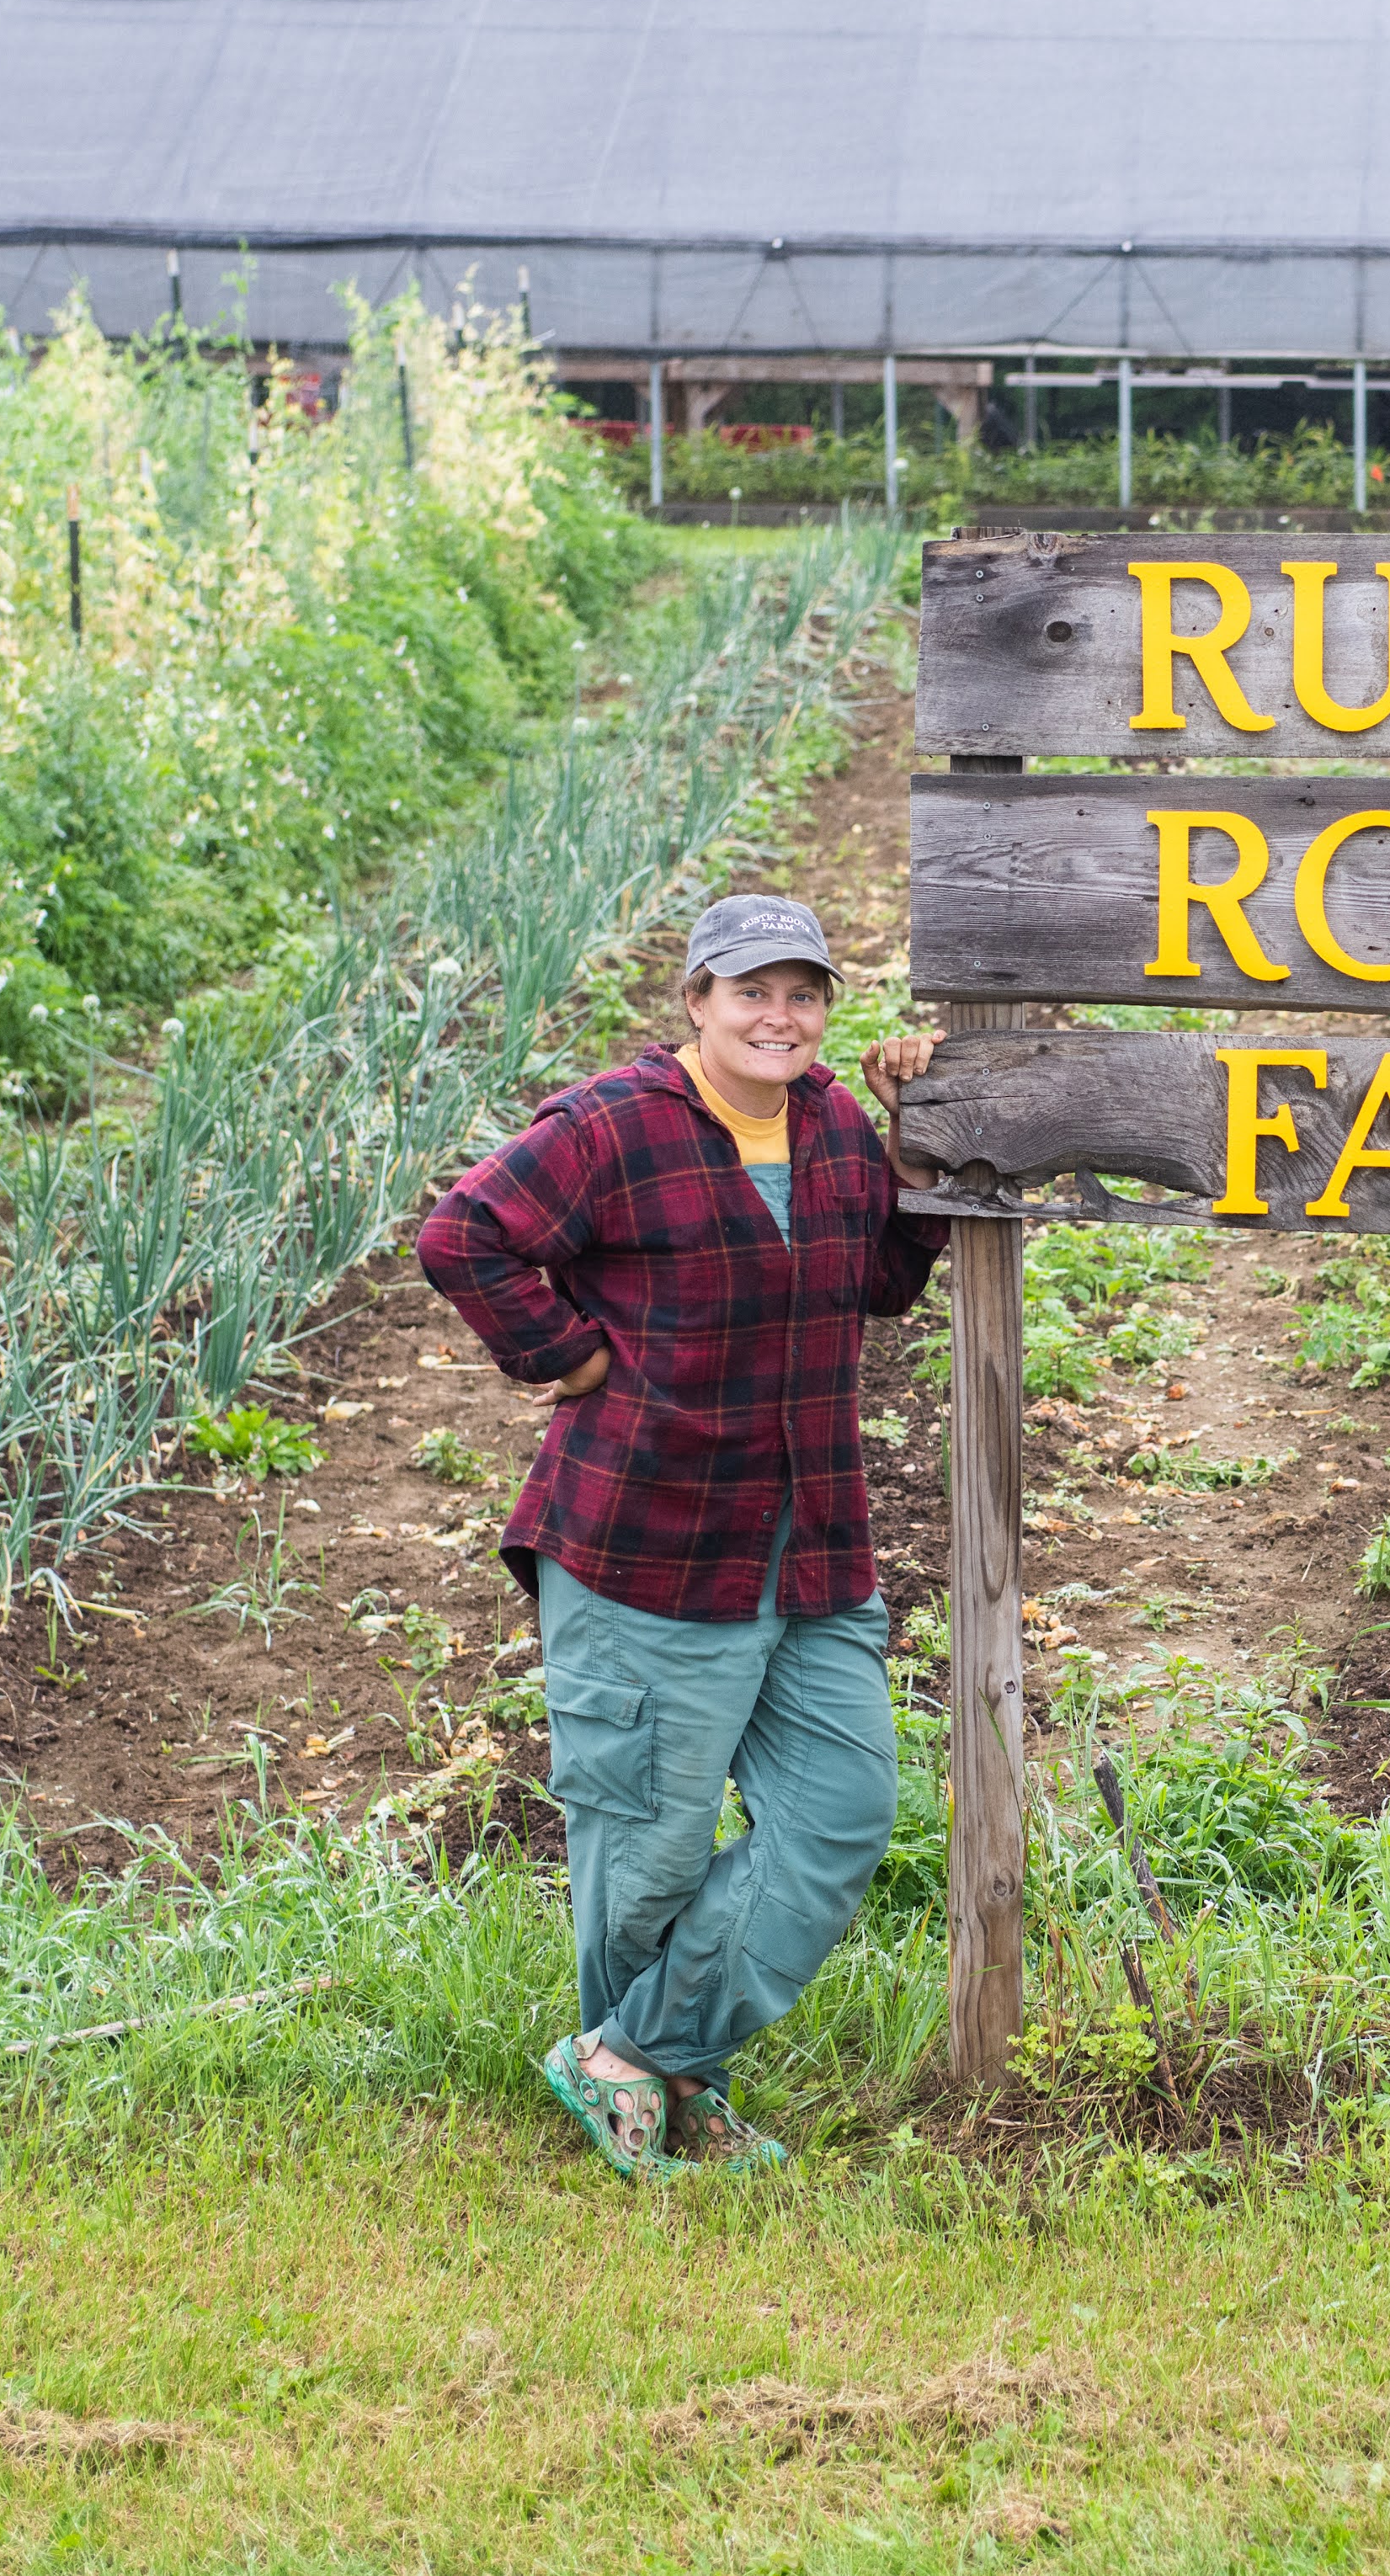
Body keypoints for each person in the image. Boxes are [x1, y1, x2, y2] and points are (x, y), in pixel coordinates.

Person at [420, 893, 949, 2180]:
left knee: (840, 1814)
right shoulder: (616, 1124)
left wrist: (914, 1130)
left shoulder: (833, 1123)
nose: (780, 1016)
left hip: (810, 1544)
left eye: (803, 993)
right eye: (751, 991)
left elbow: (884, 1280)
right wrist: (566, 1355)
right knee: (647, 1852)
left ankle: (635, 2055)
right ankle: (664, 2087)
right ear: (697, 1000)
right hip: (648, 1545)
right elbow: (463, 1233)